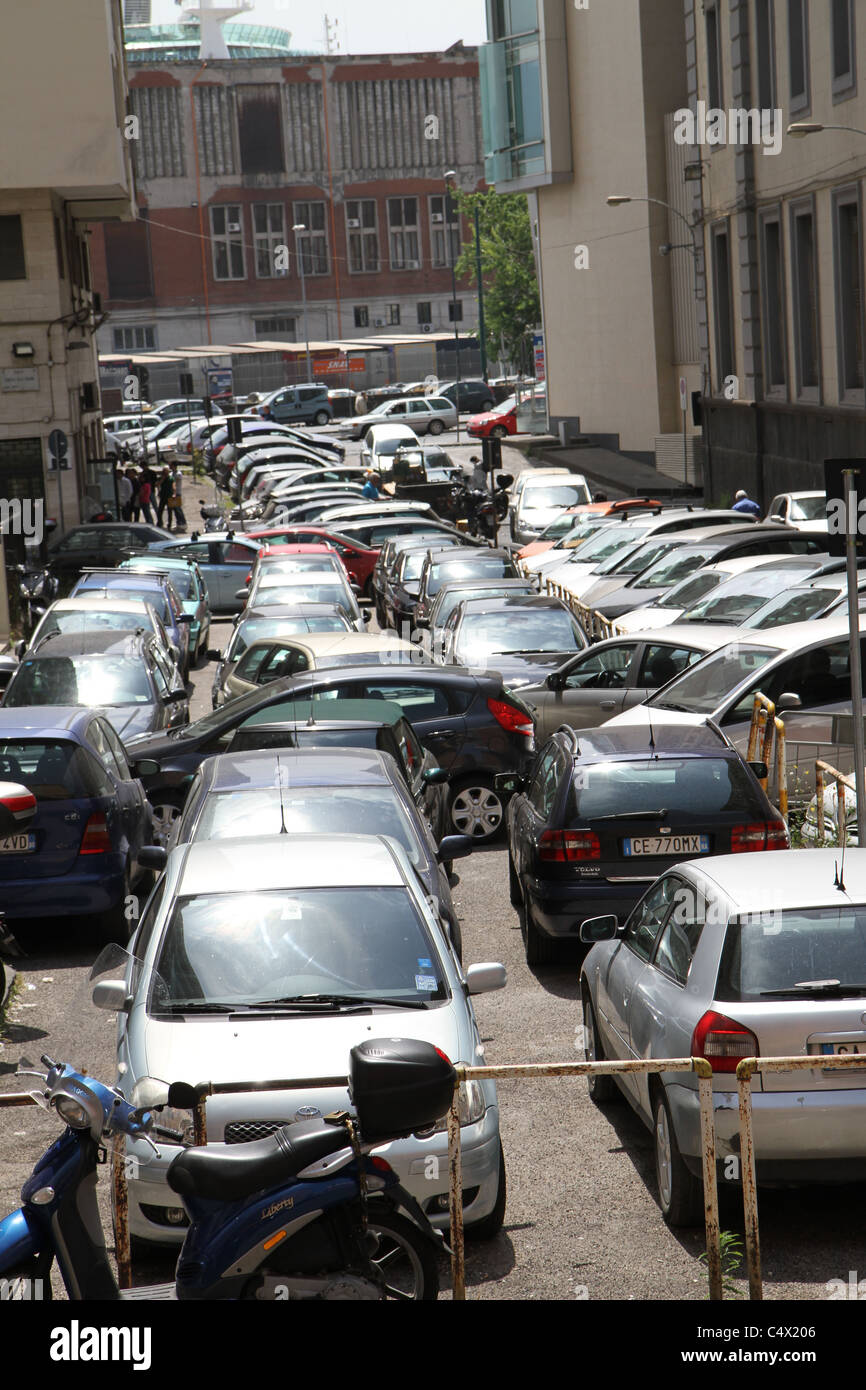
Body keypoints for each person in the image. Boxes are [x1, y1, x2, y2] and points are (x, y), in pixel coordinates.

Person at [169, 463, 187, 531]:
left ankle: (183, 524)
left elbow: (176, 479)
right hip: (171, 494)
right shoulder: (171, 474)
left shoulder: (178, 474)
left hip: (177, 493)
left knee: (178, 509)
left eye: (171, 465)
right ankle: (178, 524)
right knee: (175, 510)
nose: (170, 467)